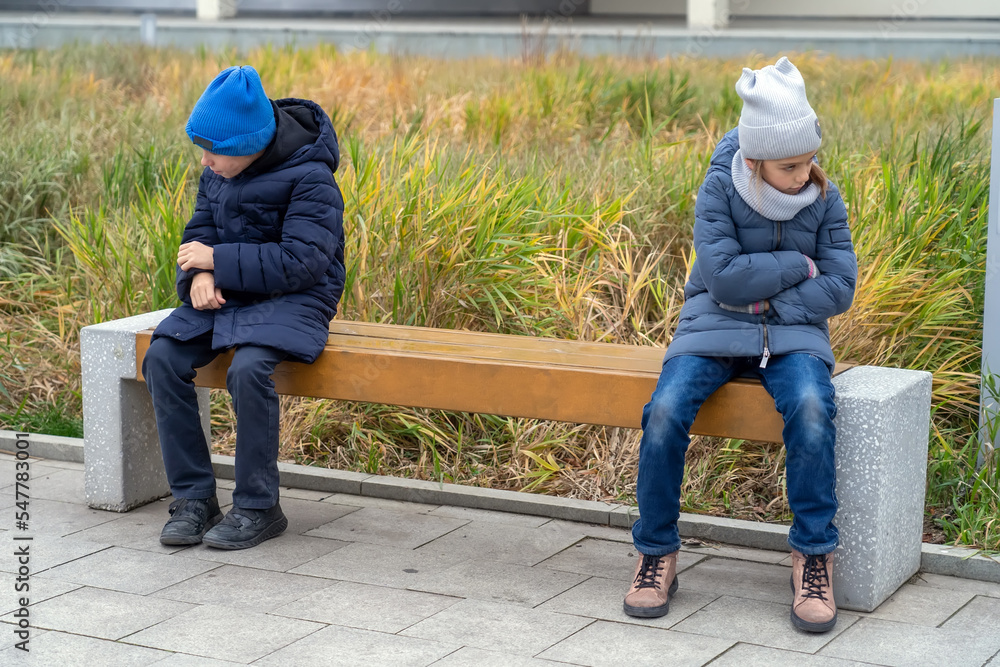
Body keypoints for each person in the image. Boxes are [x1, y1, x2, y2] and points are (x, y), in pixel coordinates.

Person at [623, 57, 857, 633]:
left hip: (793, 334)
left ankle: (813, 556)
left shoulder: (824, 197)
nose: (805, 175)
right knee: (665, 412)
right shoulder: (719, 189)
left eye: (809, 161)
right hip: (710, 327)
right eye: (790, 166)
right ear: (754, 161)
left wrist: (773, 302)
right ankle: (656, 552)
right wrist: (794, 265)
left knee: (811, 409)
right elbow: (722, 278)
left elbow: (842, 284)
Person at [142, 65, 345, 550]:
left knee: (249, 369)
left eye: (214, 151)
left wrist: (216, 261)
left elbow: (302, 262)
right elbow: (200, 235)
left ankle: (258, 507)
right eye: (203, 149)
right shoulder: (218, 173)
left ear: (249, 145)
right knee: (162, 357)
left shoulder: (312, 179)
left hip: (295, 298)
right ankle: (194, 499)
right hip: (231, 293)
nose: (206, 160)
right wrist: (200, 275)